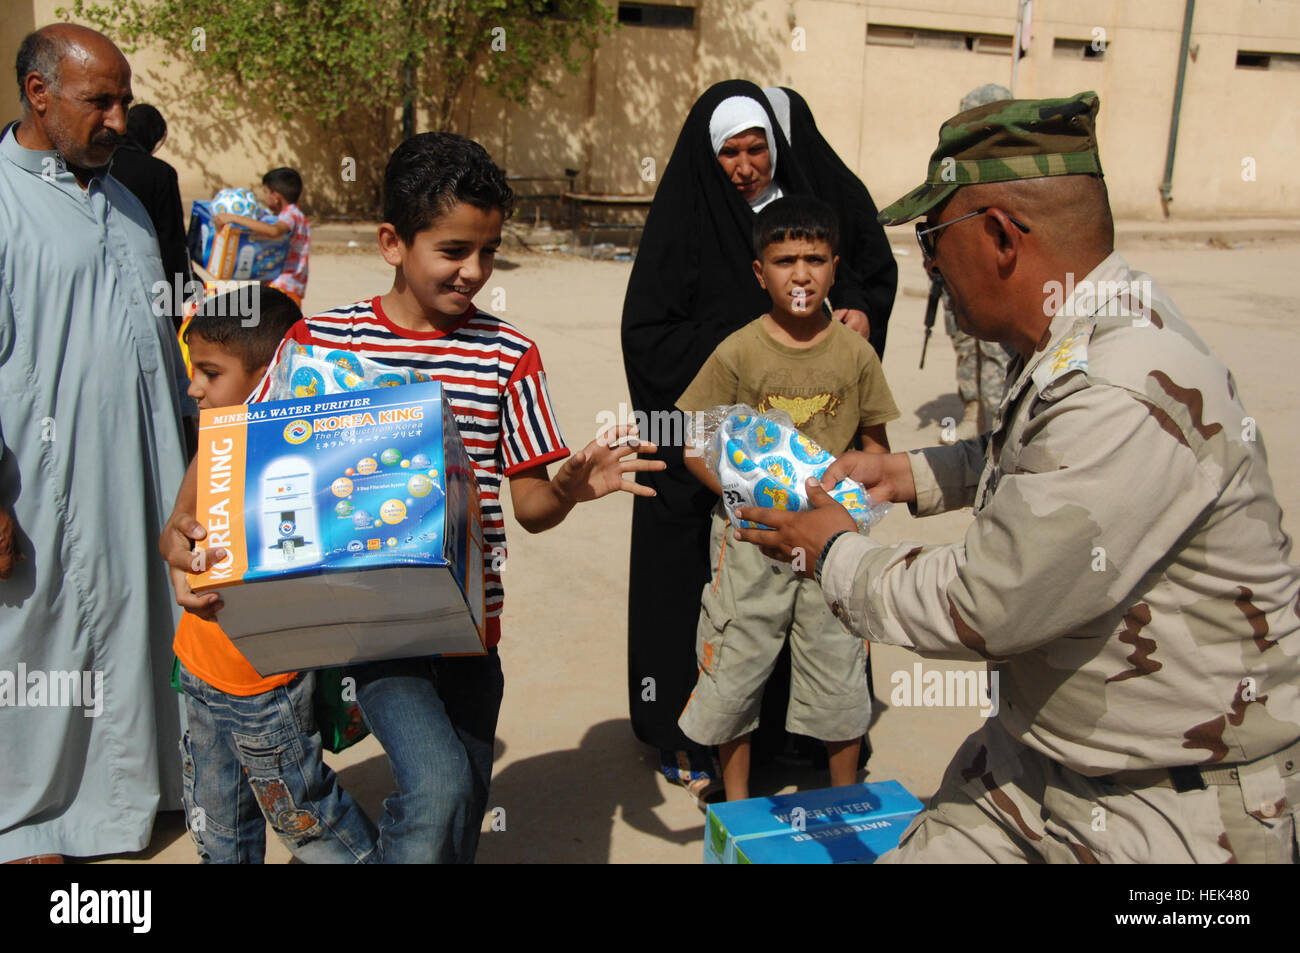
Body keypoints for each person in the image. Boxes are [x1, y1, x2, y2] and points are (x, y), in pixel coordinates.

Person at [732, 91, 1300, 862]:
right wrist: (902, 472)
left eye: (933, 236)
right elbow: (1032, 458)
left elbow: (986, 598)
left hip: (1176, 808)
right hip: (1044, 765)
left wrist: (831, 550)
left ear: (999, 236)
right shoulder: (1086, 332)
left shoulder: (1120, 384)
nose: (928, 263)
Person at [162, 132, 664, 863]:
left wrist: (567, 489)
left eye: (488, 252)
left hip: (469, 629)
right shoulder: (325, 341)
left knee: (458, 812)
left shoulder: (508, 355)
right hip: (377, 626)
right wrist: (183, 518)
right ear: (393, 241)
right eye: (454, 250)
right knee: (435, 787)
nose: (475, 272)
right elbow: (235, 439)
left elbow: (528, 506)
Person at [621, 80, 897, 798]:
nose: (744, 167)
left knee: (820, 613)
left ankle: (810, 745)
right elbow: (648, 335)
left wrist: (858, 311)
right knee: (727, 616)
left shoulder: (809, 212)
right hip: (717, 462)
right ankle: (689, 736)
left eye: (756, 149)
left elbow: (869, 264)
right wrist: (749, 349)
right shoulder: (686, 220)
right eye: (730, 154)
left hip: (811, 453)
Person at [0, 24, 194, 863]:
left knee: (148, 620)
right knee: (45, 640)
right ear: (39, 95)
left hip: (148, 470)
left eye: (123, 99)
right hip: (43, 483)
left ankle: (149, 787)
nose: (119, 119)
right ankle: (36, 816)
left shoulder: (122, 197)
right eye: (99, 102)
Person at [676, 195, 898, 801]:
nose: (800, 274)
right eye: (784, 261)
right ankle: (739, 805)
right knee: (736, 662)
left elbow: (875, 446)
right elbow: (694, 444)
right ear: (759, 271)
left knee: (839, 663)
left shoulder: (856, 353)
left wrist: (851, 509)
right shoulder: (737, 351)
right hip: (750, 544)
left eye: (815, 259)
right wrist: (742, 496)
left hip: (832, 540)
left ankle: (843, 798)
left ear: (834, 267)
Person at [173, 285, 379, 863]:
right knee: (217, 822)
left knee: (304, 816)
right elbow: (179, 531)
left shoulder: (305, 458)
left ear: (267, 374)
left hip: (265, 682)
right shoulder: (216, 437)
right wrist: (176, 556)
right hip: (198, 665)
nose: (193, 387)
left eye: (209, 373)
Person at [938, 85, 1014, 443]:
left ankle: (999, 422)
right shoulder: (954, 164)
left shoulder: (1014, 166)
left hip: (999, 273)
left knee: (998, 349)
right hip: (958, 270)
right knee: (965, 341)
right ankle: (973, 410)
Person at [111, 103, 194, 332]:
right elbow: (172, 240)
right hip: (149, 281)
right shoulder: (160, 173)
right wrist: (180, 295)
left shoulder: (100, 164)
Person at [213, 166, 309, 307]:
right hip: (284, 286)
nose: (264, 196)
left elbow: (273, 231)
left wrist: (233, 218)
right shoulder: (294, 215)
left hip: (284, 287)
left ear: (276, 197)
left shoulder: (291, 215)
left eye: (265, 192)